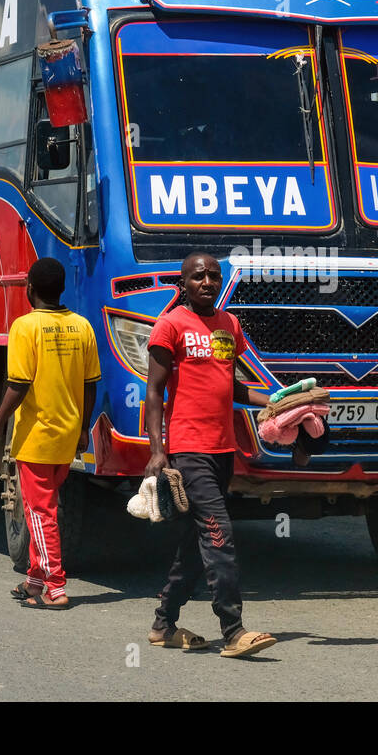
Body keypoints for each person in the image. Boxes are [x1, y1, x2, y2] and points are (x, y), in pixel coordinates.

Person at [144, 252, 277, 658]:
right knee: (220, 534)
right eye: (198, 276)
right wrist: (156, 450)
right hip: (188, 450)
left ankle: (163, 624)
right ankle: (233, 630)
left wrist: (275, 401)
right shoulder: (170, 326)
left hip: (223, 450)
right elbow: (154, 392)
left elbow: (231, 385)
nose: (207, 282)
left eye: (213, 276)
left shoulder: (229, 325)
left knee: (194, 539)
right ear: (183, 283)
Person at [0, 257, 99, 609]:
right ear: (61, 288)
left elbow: (18, 384)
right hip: (67, 435)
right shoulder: (82, 326)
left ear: (30, 287)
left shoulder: (25, 327)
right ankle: (33, 580)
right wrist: (83, 429)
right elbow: (90, 384)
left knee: (39, 513)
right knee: (41, 508)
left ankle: (55, 587)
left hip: (37, 438)